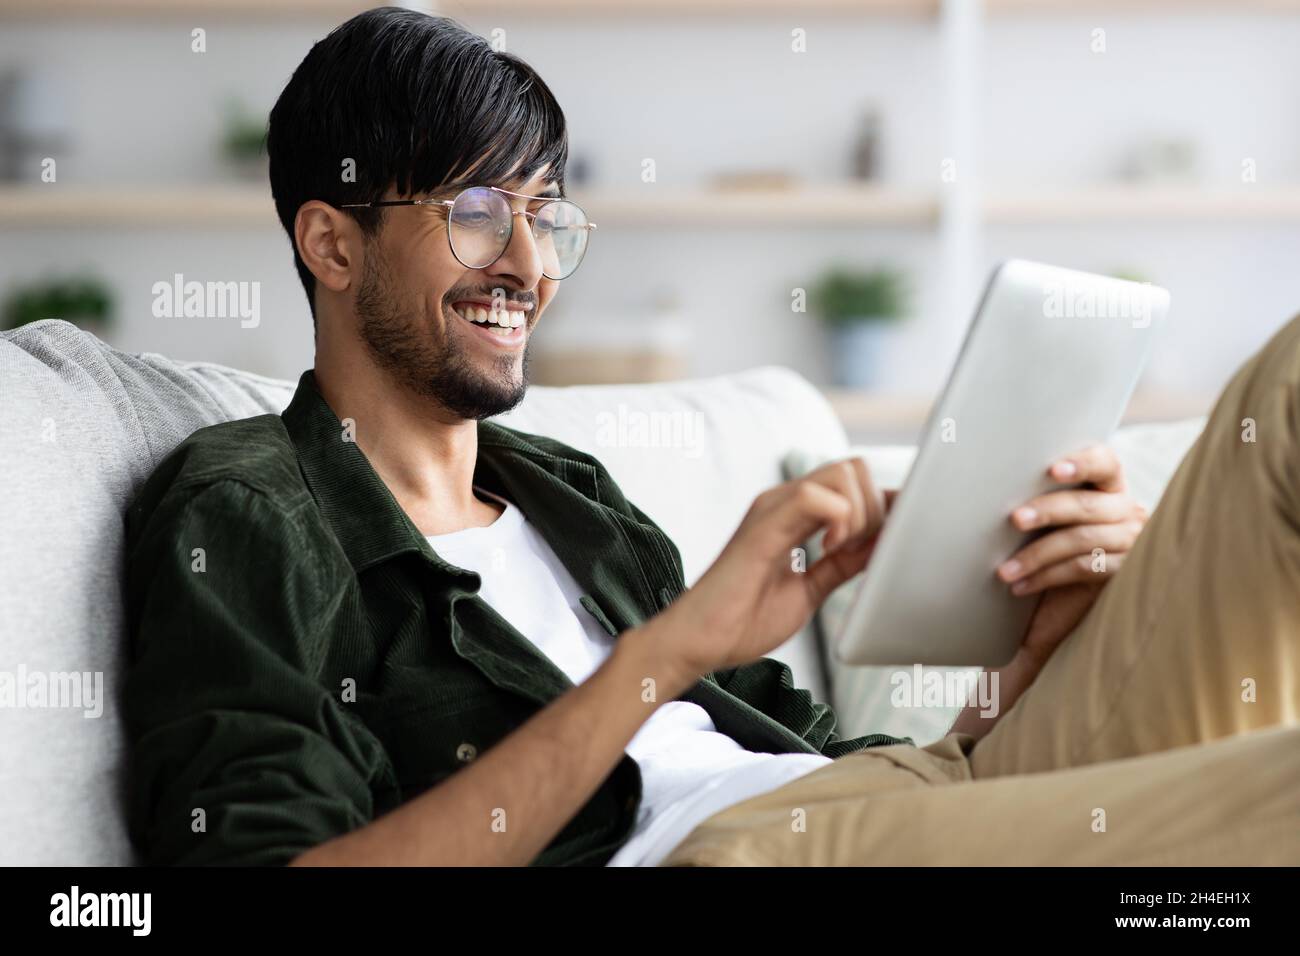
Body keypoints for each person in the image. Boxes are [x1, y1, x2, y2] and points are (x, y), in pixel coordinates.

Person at [122, 8, 1299, 867]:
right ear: (331, 244)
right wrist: (662, 654)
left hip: (901, 794)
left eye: (549, 220)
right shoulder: (244, 509)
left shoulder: (568, 495)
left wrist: (1027, 669)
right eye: (478, 216)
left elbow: (825, 761)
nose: (529, 269)